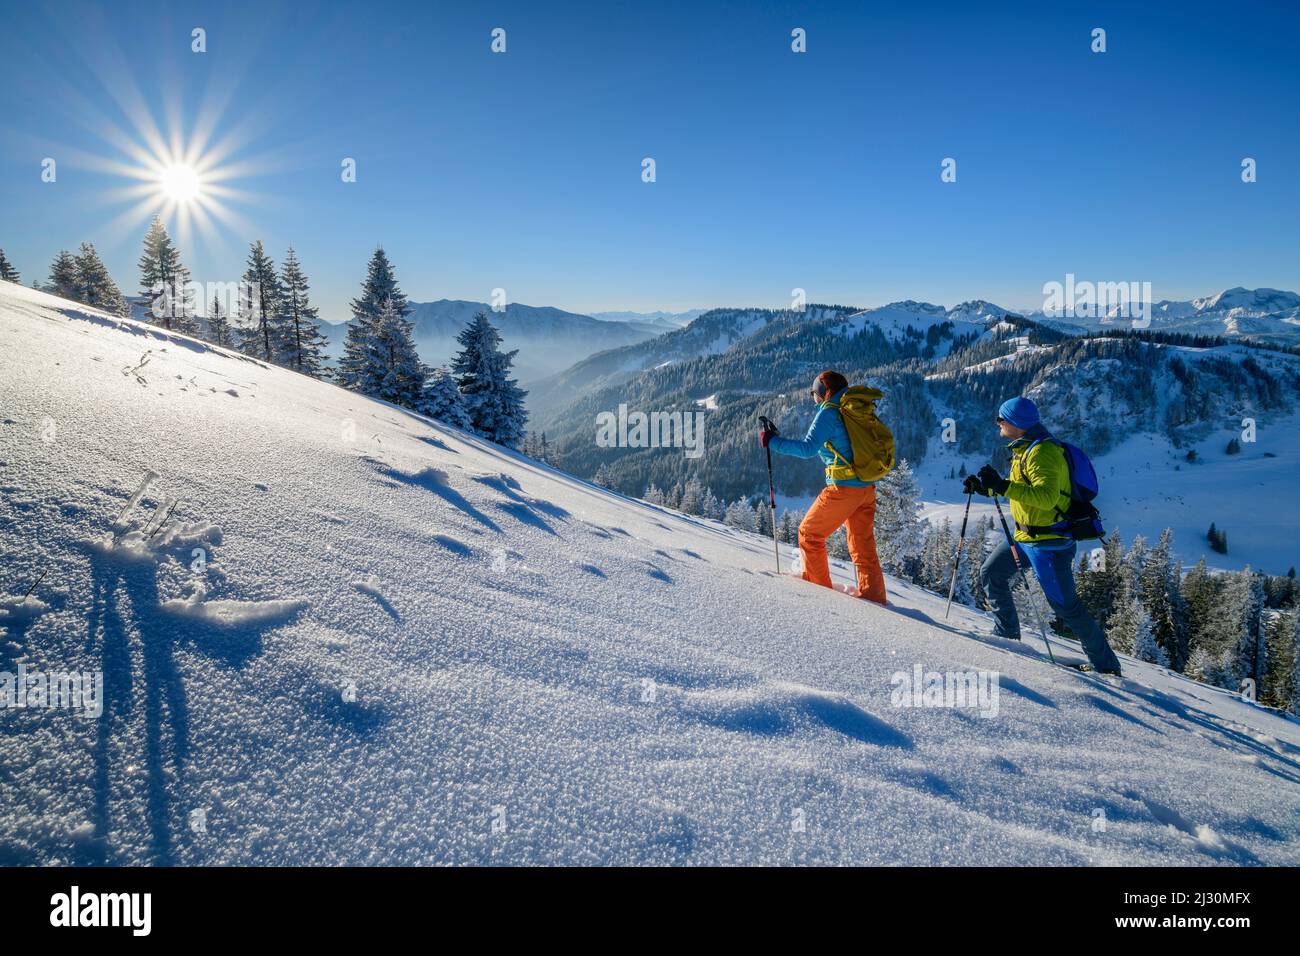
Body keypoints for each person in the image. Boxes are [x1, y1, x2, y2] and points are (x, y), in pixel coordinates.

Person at [965, 396, 1122, 675]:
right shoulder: (1025, 449)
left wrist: (1001, 486)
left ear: (1015, 423)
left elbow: (1047, 498)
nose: (997, 423)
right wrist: (986, 488)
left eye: (1001, 419)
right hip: (1025, 538)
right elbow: (1022, 491)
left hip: (1049, 544)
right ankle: (1007, 634)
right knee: (992, 573)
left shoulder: (1043, 452)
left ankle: (1107, 668)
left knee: (1066, 607)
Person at [760, 370, 887, 605]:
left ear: (823, 391)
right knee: (862, 546)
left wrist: (773, 442)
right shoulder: (855, 408)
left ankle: (818, 596)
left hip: (844, 489)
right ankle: (875, 598)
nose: (814, 399)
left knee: (809, 534)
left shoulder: (829, 412)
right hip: (867, 488)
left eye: (814, 393)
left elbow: (808, 449)